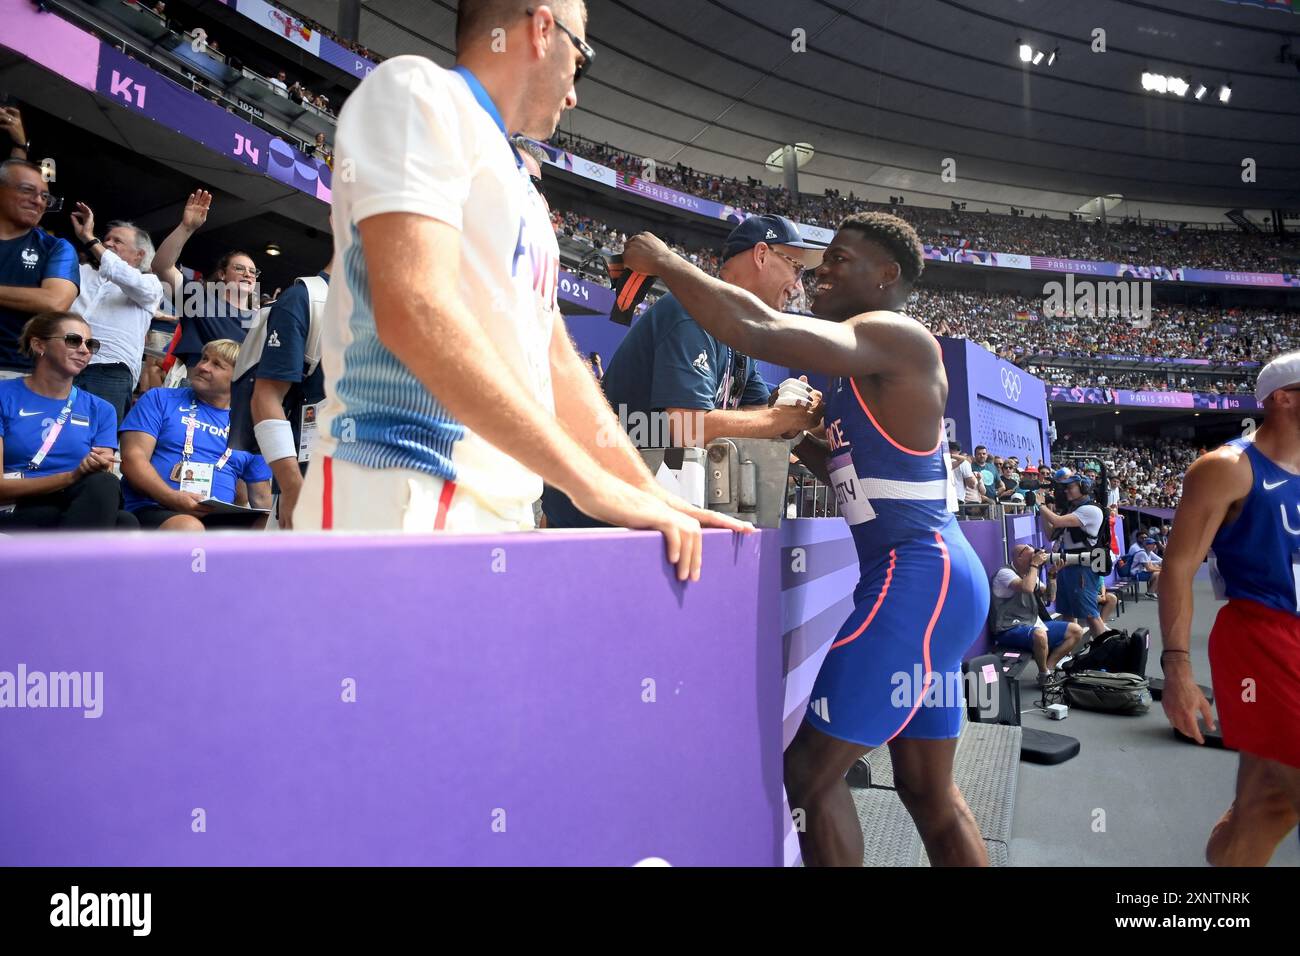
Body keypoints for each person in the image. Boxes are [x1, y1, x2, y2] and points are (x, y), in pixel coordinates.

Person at [293, 0, 747, 580]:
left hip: (500, 512)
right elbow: (415, 311)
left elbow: (556, 360)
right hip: (403, 490)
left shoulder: (524, 190)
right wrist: (592, 486)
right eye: (580, 58)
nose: (575, 93)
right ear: (540, 29)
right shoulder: (417, 93)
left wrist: (646, 492)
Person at [622, 210, 991, 866]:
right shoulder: (862, 367)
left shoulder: (889, 332)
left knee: (807, 776)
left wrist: (668, 263)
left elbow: (756, 327)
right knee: (928, 793)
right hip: (940, 581)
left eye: (840, 260)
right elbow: (853, 471)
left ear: (887, 277)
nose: (822, 271)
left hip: (918, 577)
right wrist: (799, 435)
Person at [541, 214, 824, 528]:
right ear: (761, 255)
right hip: (590, 520)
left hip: (634, 511)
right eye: (796, 268)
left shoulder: (737, 335)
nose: (799, 287)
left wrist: (792, 415)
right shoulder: (691, 313)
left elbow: (756, 414)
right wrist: (781, 418)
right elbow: (688, 427)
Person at [1159, 350, 1300, 866]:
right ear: (1282, 399)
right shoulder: (1227, 469)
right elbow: (1176, 568)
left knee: (1267, 807)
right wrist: (1177, 669)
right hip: (1263, 640)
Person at [0, 311, 133, 529]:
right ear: (39, 345)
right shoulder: (3, 395)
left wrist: (91, 470)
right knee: (120, 523)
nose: (84, 350)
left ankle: (67, 561)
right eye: (73, 340)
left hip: (74, 503)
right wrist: (71, 477)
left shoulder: (102, 409)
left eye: (90, 344)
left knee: (123, 518)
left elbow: (99, 482)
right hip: (15, 505)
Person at [119, 339, 271, 530]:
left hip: (219, 516)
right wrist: (171, 497)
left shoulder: (250, 427)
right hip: (156, 507)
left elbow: (261, 497)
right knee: (189, 527)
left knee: (270, 526)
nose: (203, 367)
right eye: (204, 359)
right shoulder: (160, 399)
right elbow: (132, 460)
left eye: (216, 364)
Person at [237, 261, 330, 529]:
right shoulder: (306, 297)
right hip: (311, 483)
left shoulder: (393, 303)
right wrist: (291, 486)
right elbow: (266, 397)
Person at [67, 204, 163, 423]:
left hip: (109, 370)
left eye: (117, 241)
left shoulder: (150, 284)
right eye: (106, 239)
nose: (107, 243)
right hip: (60, 362)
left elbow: (126, 276)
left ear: (140, 255)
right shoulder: (81, 272)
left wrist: (90, 240)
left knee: (95, 446)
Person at [151, 189, 260, 369]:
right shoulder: (200, 301)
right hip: (196, 388)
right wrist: (186, 227)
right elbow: (162, 266)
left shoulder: (260, 319)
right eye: (239, 268)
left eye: (253, 271)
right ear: (222, 274)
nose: (248, 274)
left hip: (240, 395)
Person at [0, 159, 78, 377]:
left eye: (45, 196)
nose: (38, 201)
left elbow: (55, 301)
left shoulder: (56, 248)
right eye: (27, 190)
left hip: (13, 370)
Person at [990, 544, 1085, 684]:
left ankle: (1049, 669)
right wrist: (1034, 565)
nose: (1036, 556)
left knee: (1076, 631)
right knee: (1040, 634)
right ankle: (1043, 675)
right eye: (1032, 553)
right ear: (1019, 557)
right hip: (1008, 628)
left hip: (1031, 623)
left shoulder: (1030, 573)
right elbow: (1027, 588)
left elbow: (1050, 597)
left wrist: (1052, 575)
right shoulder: (1004, 573)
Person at [1039, 472, 1108, 638]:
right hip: (1067, 564)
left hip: (1082, 567)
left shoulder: (1090, 509)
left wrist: (1040, 505)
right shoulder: (1073, 510)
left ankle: (1108, 651)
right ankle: (1068, 652)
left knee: (1091, 615)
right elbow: (1051, 534)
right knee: (1067, 612)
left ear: (1084, 488)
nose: (1066, 491)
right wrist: (1045, 509)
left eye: (1070, 487)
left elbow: (1056, 521)